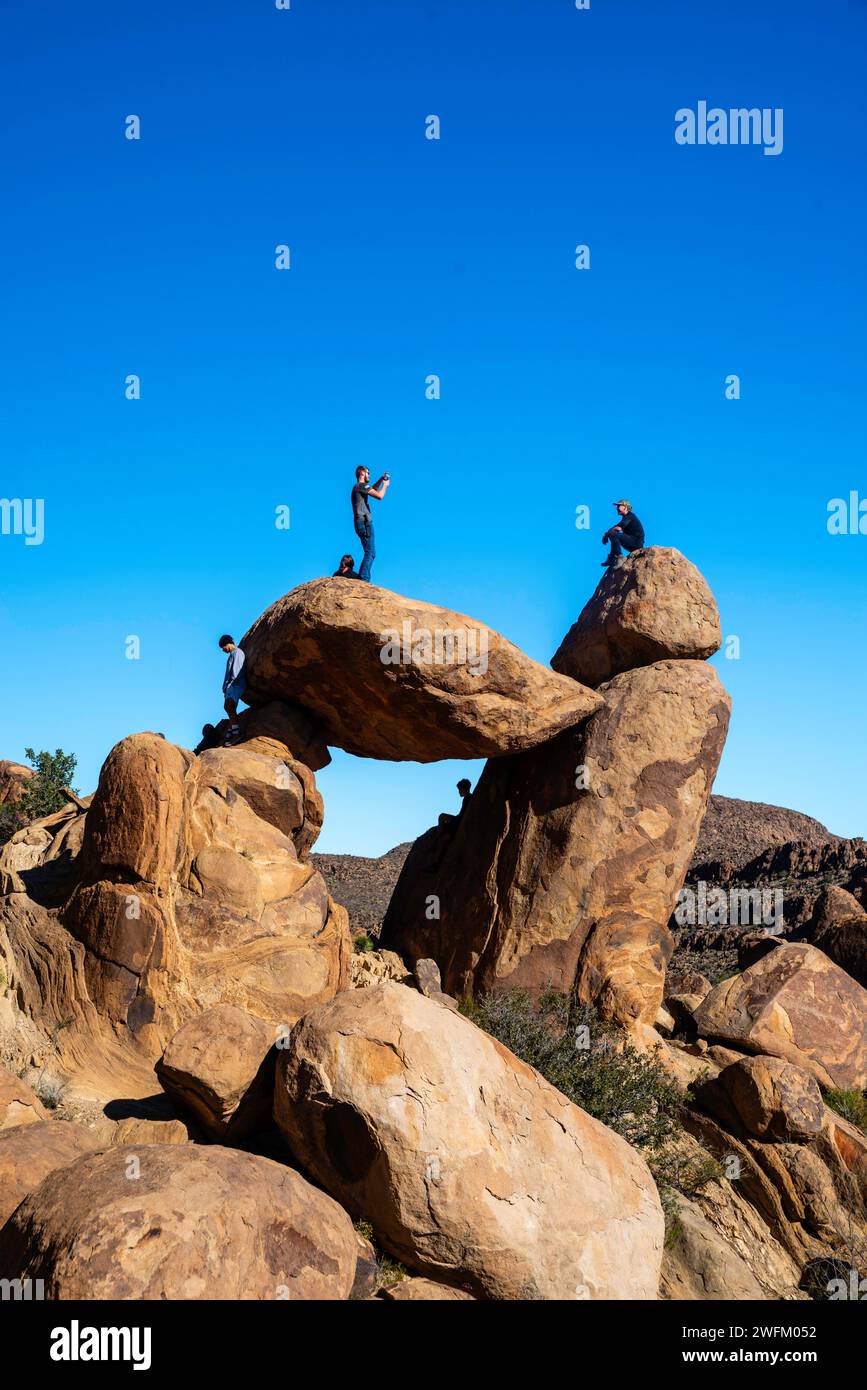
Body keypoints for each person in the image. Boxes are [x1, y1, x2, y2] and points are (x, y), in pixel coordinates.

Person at [351, 465, 390, 582]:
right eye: (368, 473)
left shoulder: (358, 487)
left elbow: (372, 488)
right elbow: (379, 496)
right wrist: (385, 485)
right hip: (365, 523)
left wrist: (380, 479)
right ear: (362, 473)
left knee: (368, 551)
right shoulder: (361, 486)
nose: (369, 475)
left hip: (359, 523)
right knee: (371, 552)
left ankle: (362, 578)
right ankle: (363, 579)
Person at [219, 635, 246, 745]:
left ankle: (236, 734)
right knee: (229, 707)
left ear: (228, 644)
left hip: (236, 684)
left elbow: (236, 671)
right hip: (231, 686)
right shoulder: (232, 655)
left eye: (223, 646)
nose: (223, 649)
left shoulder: (238, 653)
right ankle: (231, 732)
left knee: (229, 706)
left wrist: (230, 685)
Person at [602, 499, 645, 567]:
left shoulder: (630, 516)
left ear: (625, 507)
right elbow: (617, 526)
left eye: (619, 506)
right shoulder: (626, 517)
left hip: (636, 543)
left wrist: (607, 534)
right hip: (632, 543)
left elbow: (618, 528)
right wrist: (607, 534)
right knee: (612, 534)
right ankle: (612, 557)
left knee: (613, 533)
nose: (617, 508)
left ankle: (619, 557)